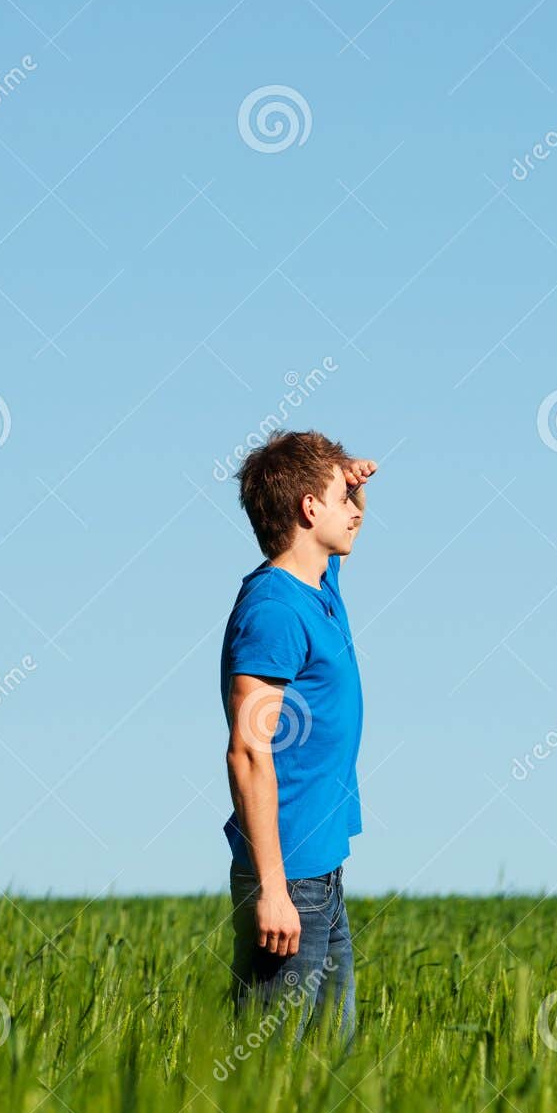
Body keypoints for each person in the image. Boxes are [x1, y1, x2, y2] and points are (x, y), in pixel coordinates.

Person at [221, 429, 376, 1048]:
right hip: (288, 880)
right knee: (267, 1069)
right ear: (310, 509)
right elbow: (247, 751)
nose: (355, 512)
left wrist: (349, 479)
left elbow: (348, 531)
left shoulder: (317, 588)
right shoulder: (275, 611)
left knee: (329, 1069)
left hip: (322, 872)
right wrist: (271, 890)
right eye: (342, 500)